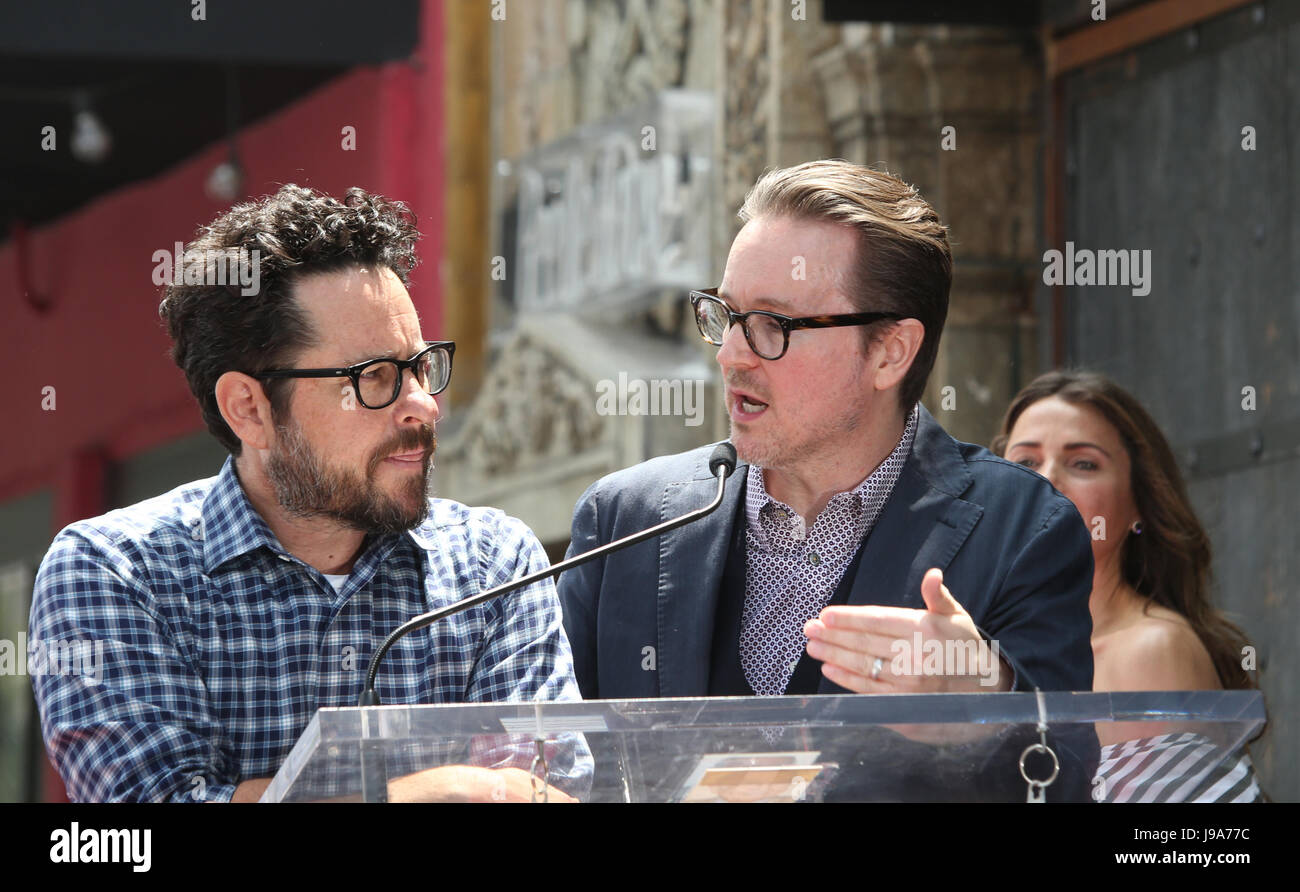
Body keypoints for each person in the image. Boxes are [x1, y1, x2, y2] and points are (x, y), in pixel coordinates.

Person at [557, 160, 1098, 800]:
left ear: (889, 352)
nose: (731, 354)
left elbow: (1064, 781)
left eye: (773, 325)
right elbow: (555, 763)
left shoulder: (1021, 529)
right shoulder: (628, 520)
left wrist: (987, 703)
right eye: (725, 315)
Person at [29, 185, 583, 802]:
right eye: (374, 378)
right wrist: (419, 796)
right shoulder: (119, 572)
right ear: (250, 409)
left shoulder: (492, 564)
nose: (424, 406)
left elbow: (545, 791)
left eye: (421, 367)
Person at [993, 370, 1265, 802]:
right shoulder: (982, 643)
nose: (1045, 481)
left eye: (1083, 463)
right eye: (1025, 462)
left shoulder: (1151, 649)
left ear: (1139, 502)